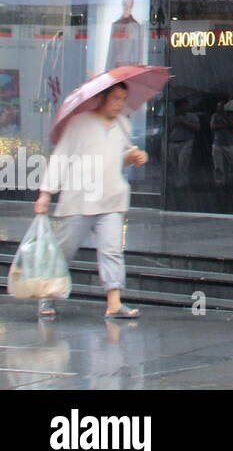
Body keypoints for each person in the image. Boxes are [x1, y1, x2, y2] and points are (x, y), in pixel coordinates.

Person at [34, 82, 149, 319]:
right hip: (80, 198)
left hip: (111, 199)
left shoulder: (123, 125)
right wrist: (46, 193)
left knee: (112, 250)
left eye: (122, 98)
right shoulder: (79, 123)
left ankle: (114, 302)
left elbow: (121, 158)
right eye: (115, 98)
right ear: (102, 98)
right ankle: (47, 295)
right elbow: (61, 157)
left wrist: (134, 157)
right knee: (64, 249)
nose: (119, 104)